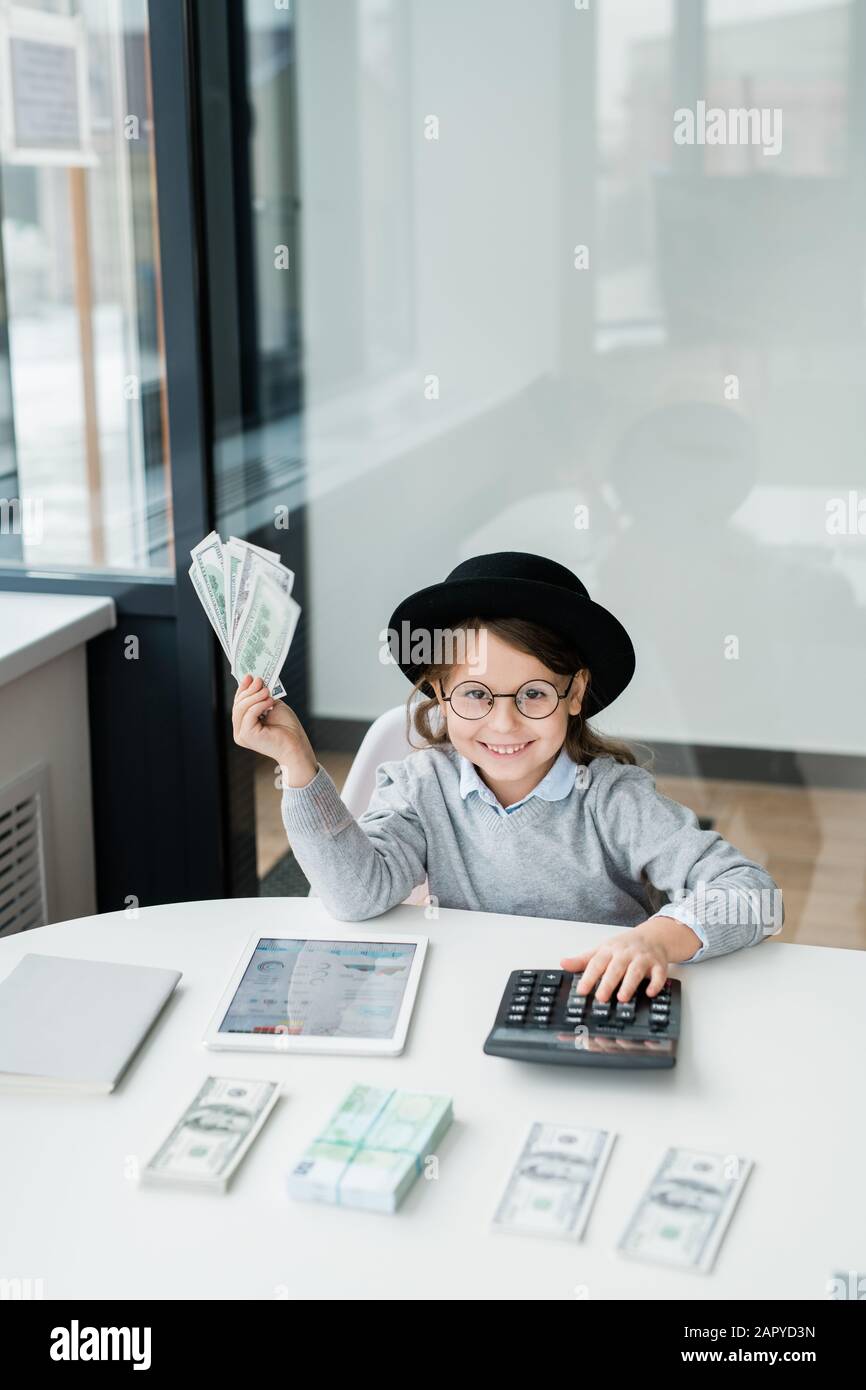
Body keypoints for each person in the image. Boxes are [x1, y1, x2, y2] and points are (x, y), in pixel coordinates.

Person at [232, 552, 783, 1003]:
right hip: (471, 999)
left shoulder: (614, 800)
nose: (504, 723)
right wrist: (298, 767)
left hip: (596, 1001)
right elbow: (357, 896)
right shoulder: (420, 788)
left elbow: (754, 896)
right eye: (475, 694)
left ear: (574, 694)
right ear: (439, 696)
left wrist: (658, 940)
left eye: (534, 694)